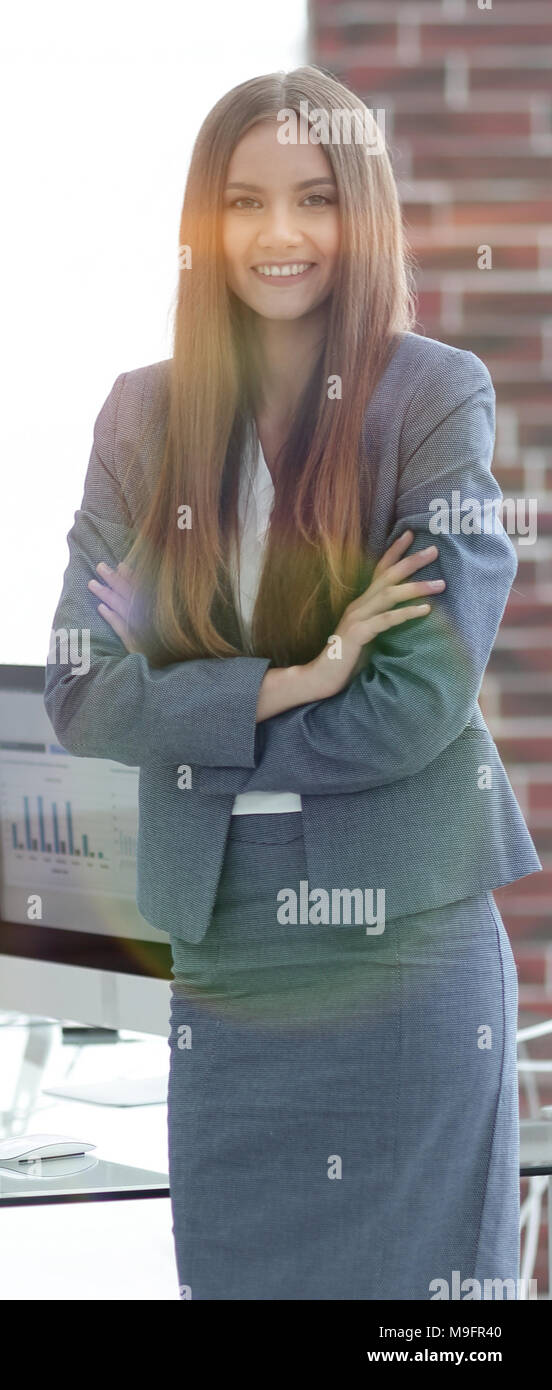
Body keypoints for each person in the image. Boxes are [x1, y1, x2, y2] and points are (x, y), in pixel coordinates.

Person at [45, 66, 542, 1300]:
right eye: (245, 201)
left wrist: (194, 708)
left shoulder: (432, 397)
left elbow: (415, 706)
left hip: (404, 951)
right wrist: (307, 671)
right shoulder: (141, 416)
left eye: (313, 198)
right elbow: (75, 687)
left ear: (358, 212)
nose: (277, 234)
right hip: (225, 953)